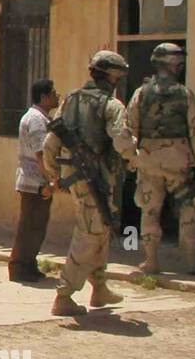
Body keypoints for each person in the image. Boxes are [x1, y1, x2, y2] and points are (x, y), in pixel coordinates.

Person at [41, 50, 139, 316]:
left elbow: (50, 142)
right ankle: (64, 295)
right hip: (94, 178)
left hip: (76, 177)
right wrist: (136, 160)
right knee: (89, 233)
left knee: (101, 228)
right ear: (114, 76)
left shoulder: (71, 99)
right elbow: (122, 141)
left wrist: (53, 176)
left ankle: (99, 287)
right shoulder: (112, 105)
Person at [126, 43, 195, 275]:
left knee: (149, 209)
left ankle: (151, 261)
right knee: (187, 207)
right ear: (171, 65)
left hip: (148, 158)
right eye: (178, 63)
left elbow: (130, 128)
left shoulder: (141, 93)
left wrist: (133, 159)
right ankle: (192, 262)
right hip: (178, 158)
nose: (180, 67)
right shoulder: (185, 94)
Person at [8, 78, 59, 282]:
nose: (57, 96)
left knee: (36, 227)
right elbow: (41, 154)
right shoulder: (37, 120)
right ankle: (19, 266)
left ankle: (29, 265)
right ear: (44, 97)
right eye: (54, 93)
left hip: (34, 180)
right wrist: (49, 182)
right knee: (30, 226)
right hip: (34, 182)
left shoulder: (39, 117)